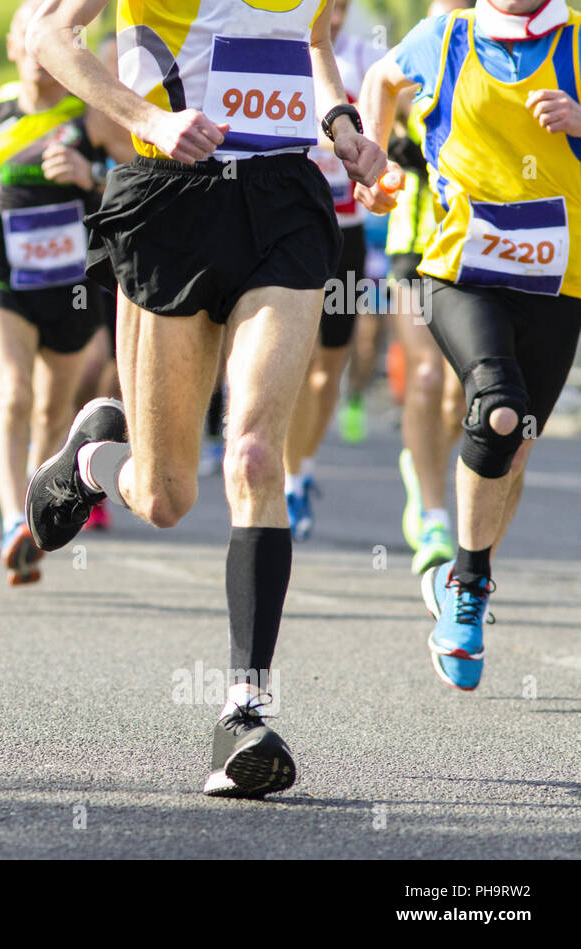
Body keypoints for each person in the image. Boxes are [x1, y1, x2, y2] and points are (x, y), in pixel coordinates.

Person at [25, 0, 385, 795]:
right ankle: (94, 459)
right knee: (163, 495)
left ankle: (243, 709)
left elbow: (315, 38)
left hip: (285, 197)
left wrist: (343, 128)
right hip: (173, 202)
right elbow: (47, 35)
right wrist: (147, 117)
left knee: (256, 451)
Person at [357, 0, 581, 691]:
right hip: (460, 269)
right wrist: (373, 157)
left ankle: (466, 571)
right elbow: (381, 82)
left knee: (514, 449)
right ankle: (471, 586)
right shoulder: (444, 36)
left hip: (556, 281)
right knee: (498, 406)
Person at [0, 0, 135, 585]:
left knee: (55, 405)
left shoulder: (91, 114)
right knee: (15, 391)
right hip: (1, 277)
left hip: (72, 285)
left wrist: (89, 175)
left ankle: (38, 511)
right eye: (24, 41)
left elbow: (139, 180)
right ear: (12, 46)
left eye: (45, 42)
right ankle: (10, 522)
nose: (35, 55)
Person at [283, 0, 385, 540]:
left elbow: (391, 117)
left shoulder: (365, 56)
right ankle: (285, 473)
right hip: (295, 225)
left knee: (328, 368)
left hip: (345, 233)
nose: (336, 16)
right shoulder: (280, 45)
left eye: (343, 6)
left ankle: (302, 468)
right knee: (295, 364)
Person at [386, 0, 473, 574]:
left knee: (456, 392)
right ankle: (435, 511)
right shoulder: (411, 61)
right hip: (413, 246)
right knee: (423, 376)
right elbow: (387, 126)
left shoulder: (494, 58)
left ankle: (425, 471)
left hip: (474, 247)